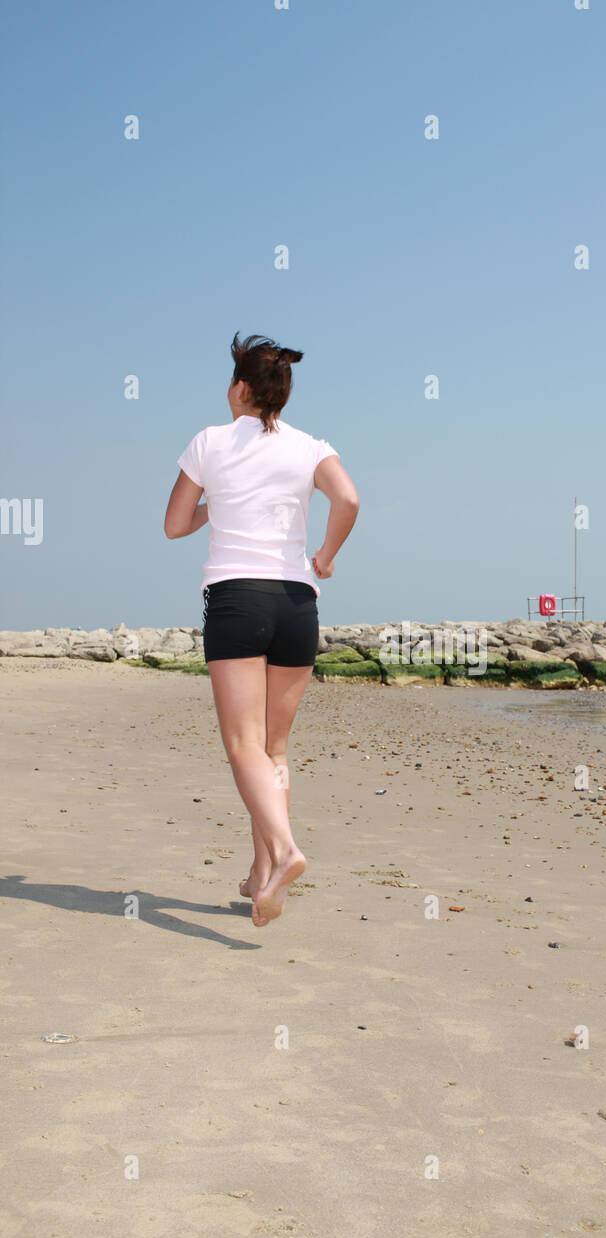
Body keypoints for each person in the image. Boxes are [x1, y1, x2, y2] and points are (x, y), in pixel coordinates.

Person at [164, 333, 359, 926]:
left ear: (241, 388)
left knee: (242, 747)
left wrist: (213, 505)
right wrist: (324, 555)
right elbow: (347, 499)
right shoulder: (310, 447)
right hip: (298, 602)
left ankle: (286, 851)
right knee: (272, 749)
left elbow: (175, 525)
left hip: (238, 601)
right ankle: (259, 874)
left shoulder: (210, 442)